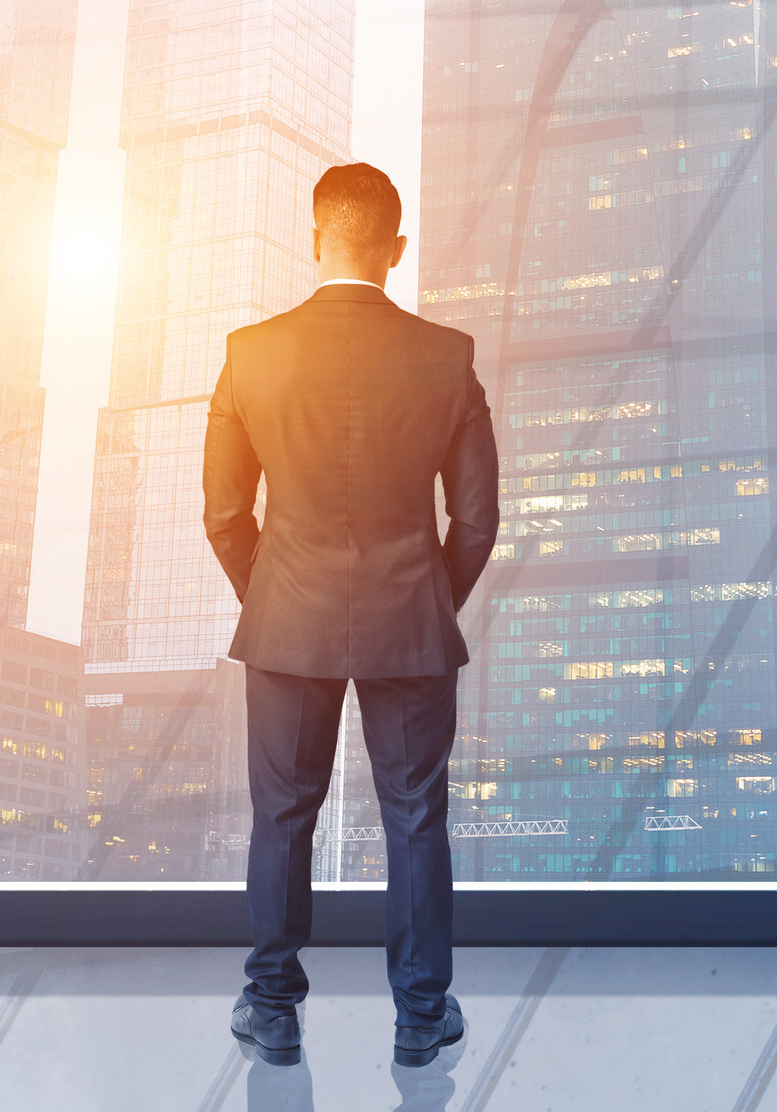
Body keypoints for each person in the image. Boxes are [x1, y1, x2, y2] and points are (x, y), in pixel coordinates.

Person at [204, 162, 499, 1068]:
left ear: (315, 236)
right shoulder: (447, 355)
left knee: (282, 816)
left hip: (285, 620)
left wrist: (274, 593)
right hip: (409, 618)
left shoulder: (250, 351)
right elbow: (478, 519)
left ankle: (272, 1008)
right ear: (396, 250)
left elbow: (222, 513)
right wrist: (423, 597)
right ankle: (420, 1017)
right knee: (416, 817)